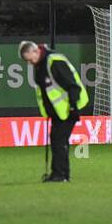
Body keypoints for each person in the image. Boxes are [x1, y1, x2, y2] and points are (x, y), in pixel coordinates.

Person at [19, 40, 90, 182]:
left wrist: (72, 106)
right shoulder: (40, 64)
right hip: (58, 111)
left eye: (30, 59)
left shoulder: (54, 61)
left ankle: (60, 174)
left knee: (58, 140)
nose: (30, 63)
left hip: (69, 108)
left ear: (35, 51)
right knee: (58, 140)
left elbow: (72, 85)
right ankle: (60, 174)